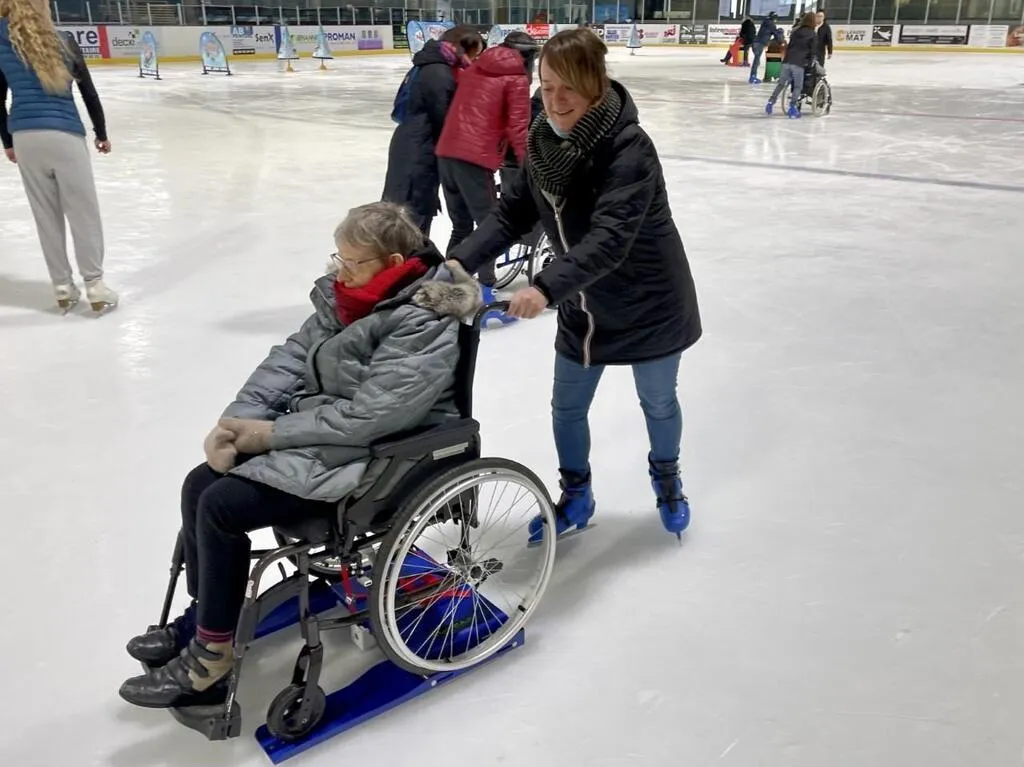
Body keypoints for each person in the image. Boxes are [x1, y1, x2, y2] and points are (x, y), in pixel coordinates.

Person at [117, 202, 483, 709]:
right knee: (200, 483)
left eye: (353, 262)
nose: (342, 270)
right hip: (321, 434)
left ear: (394, 260)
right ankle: (208, 618)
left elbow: (373, 417)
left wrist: (267, 436)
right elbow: (287, 360)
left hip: (379, 455)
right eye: (340, 258)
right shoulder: (347, 298)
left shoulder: (424, 320)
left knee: (221, 507)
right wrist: (233, 423)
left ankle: (212, 661)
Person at [447, 29, 702, 543]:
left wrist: (542, 287)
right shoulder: (543, 138)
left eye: (568, 88)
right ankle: (577, 495)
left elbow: (611, 239)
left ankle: (667, 478)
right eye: (546, 86)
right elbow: (511, 215)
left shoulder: (629, 148)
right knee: (566, 408)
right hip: (582, 304)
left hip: (648, 303)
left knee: (657, 402)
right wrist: (456, 265)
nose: (555, 100)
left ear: (596, 84)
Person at [0, 0, 117, 313]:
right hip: (65, 134)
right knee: (83, 213)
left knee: (46, 216)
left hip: (25, 137)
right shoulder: (64, 40)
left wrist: (7, 141)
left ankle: (63, 287)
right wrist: (101, 134)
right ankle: (95, 286)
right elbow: (88, 93)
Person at [435, 31, 538, 296]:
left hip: (447, 152)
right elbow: (518, 127)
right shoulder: (516, 78)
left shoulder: (477, 66)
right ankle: (486, 289)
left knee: (461, 225)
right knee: (491, 227)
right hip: (474, 157)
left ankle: (448, 286)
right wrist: (531, 165)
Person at [381, 26, 485, 237]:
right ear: (460, 48)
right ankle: (409, 266)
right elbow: (445, 120)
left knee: (409, 213)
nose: (475, 61)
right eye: (476, 54)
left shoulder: (429, 65)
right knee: (412, 217)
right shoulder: (439, 73)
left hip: (414, 145)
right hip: (419, 150)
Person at [765, 12, 818, 118]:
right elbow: (812, 51)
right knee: (798, 86)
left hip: (787, 61)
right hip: (798, 63)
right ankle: (792, 108)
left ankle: (770, 103)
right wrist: (810, 62)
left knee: (781, 84)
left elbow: (789, 46)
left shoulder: (796, 31)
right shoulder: (812, 34)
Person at [749, 12, 779, 84]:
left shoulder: (765, 22)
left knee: (757, 60)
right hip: (760, 43)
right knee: (756, 61)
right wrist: (780, 40)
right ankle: (753, 76)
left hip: (756, 42)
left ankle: (753, 76)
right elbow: (776, 34)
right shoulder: (772, 24)